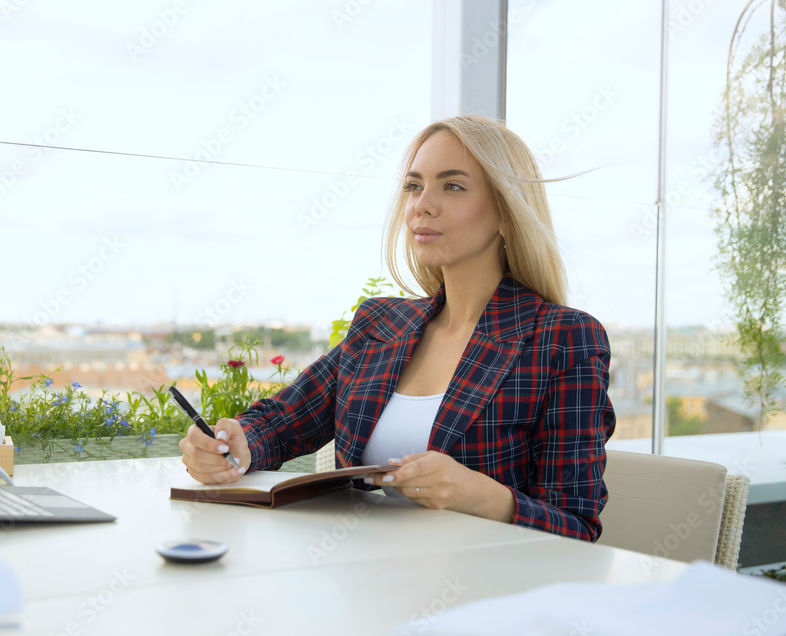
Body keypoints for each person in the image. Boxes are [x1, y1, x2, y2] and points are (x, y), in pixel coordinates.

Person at [179, 115, 616, 542]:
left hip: (484, 595)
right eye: (413, 186)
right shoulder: (380, 325)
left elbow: (576, 527)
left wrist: (481, 497)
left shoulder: (563, 339)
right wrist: (238, 446)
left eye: (453, 186)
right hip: (359, 579)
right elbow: (281, 423)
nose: (421, 204)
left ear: (505, 212)